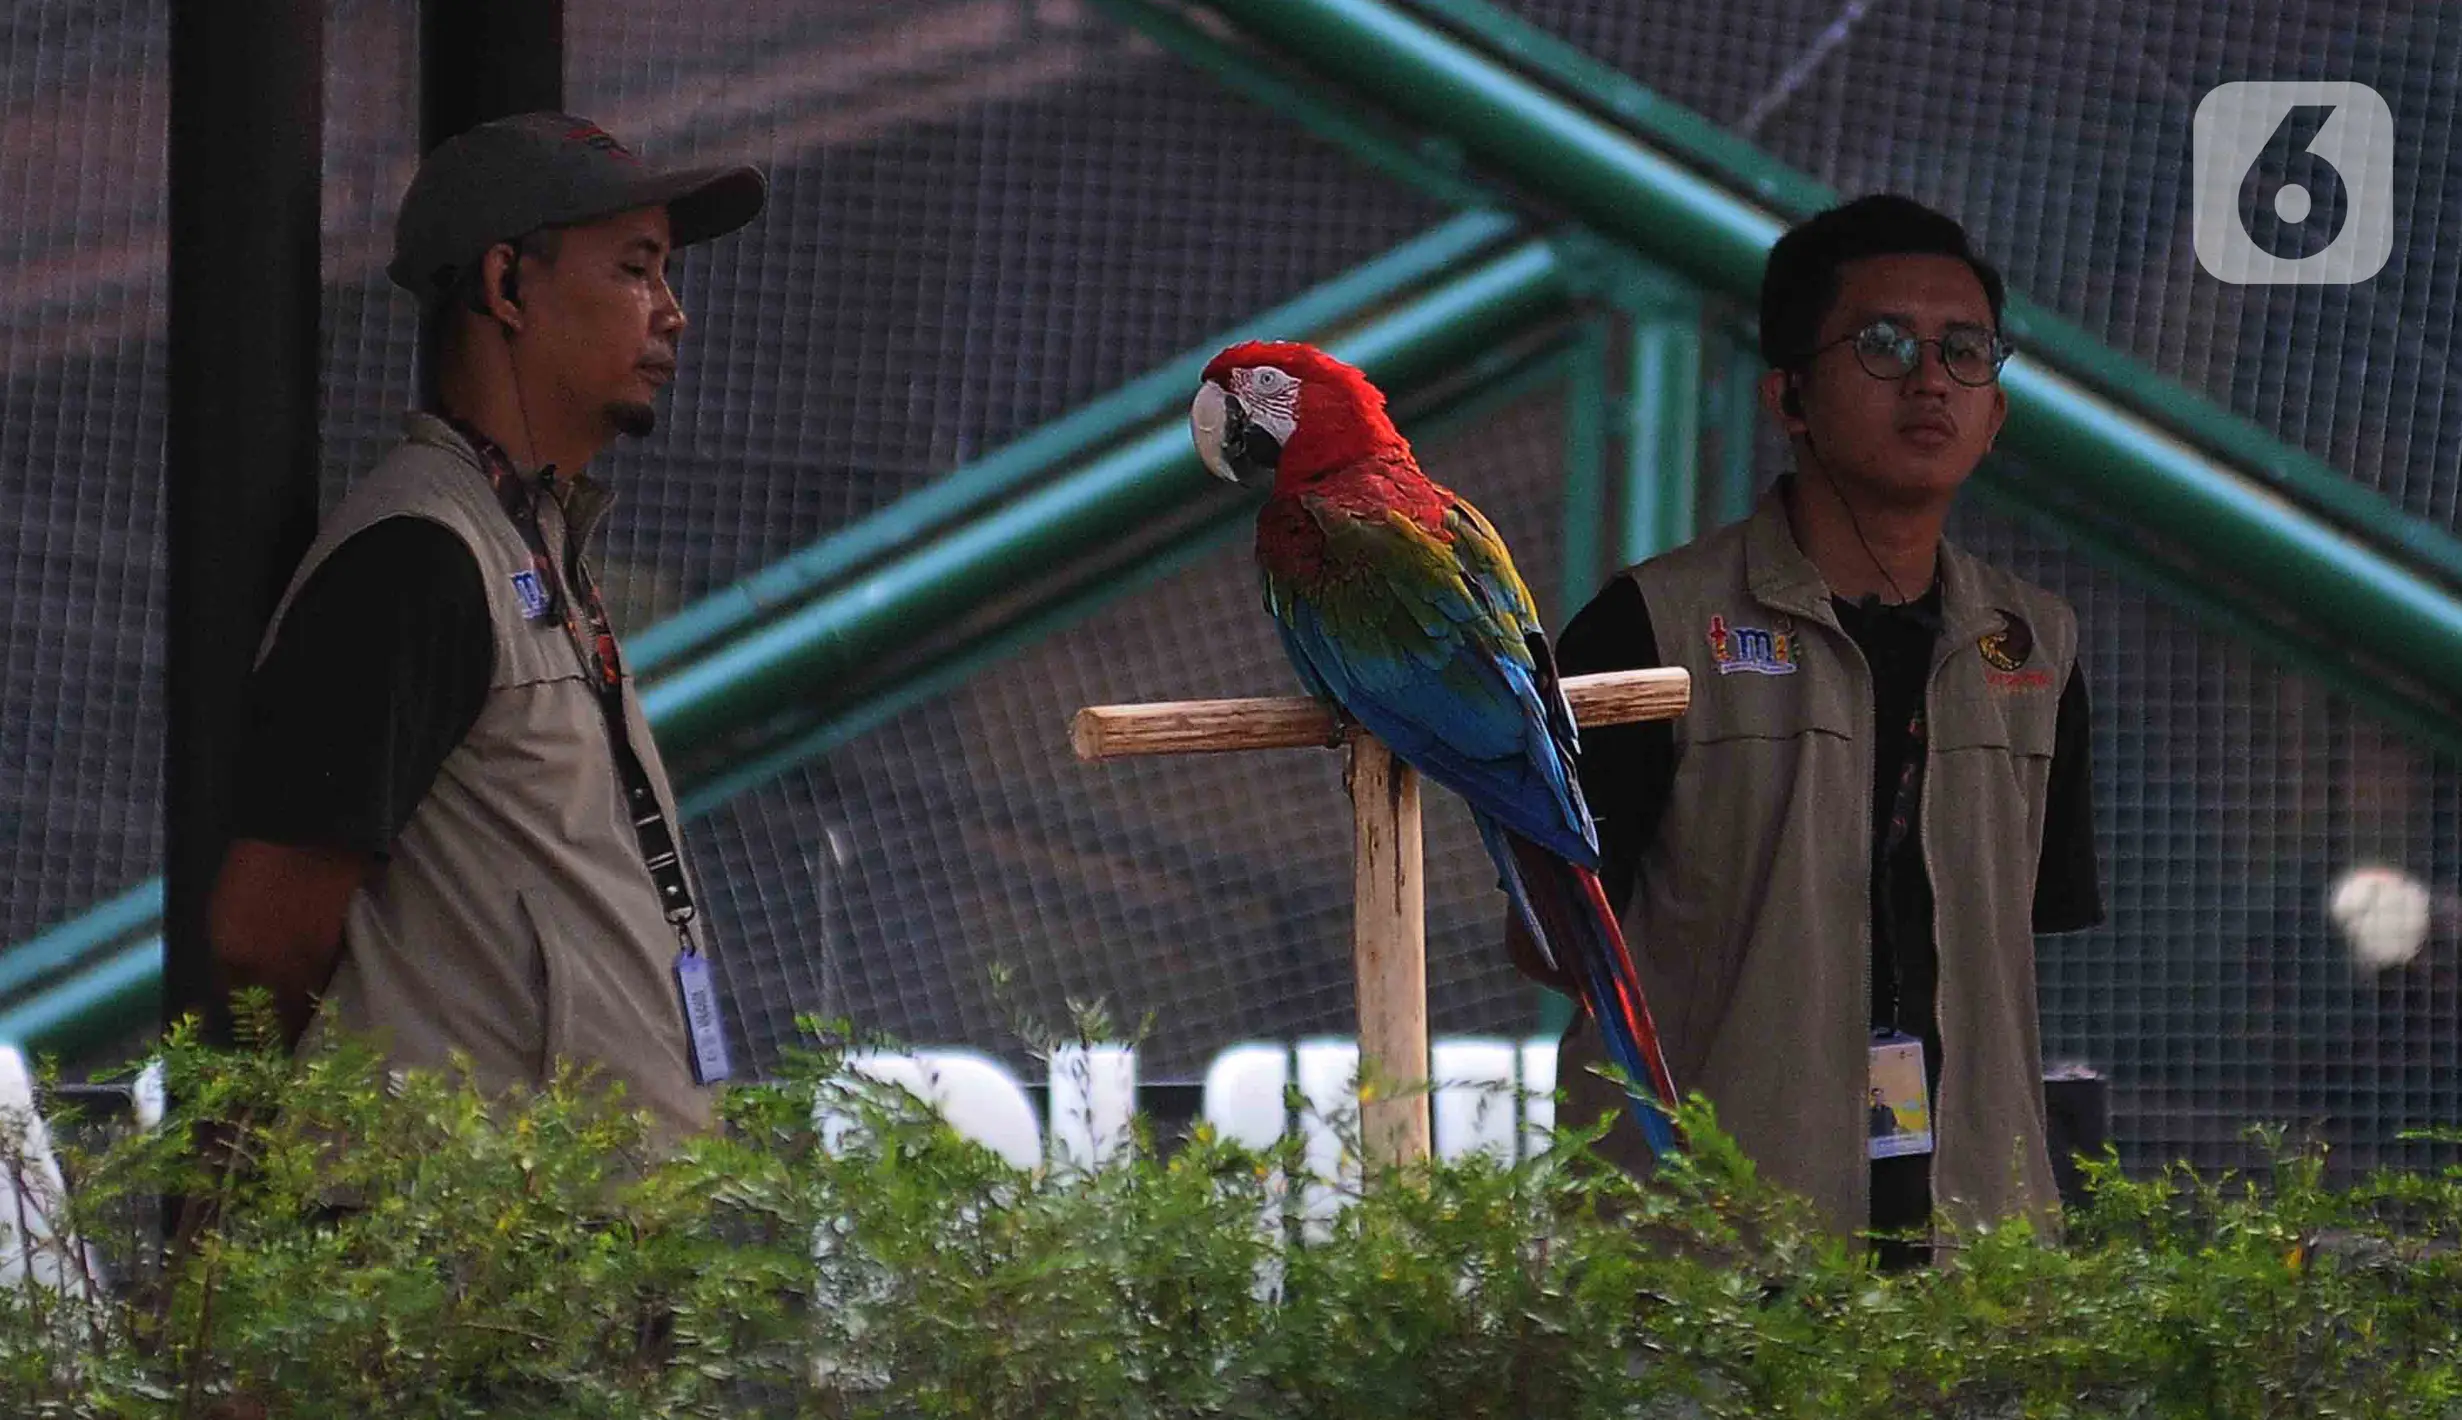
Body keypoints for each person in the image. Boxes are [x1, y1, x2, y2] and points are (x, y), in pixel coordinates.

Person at [1522, 195, 2102, 1254]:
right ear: (1788, 397)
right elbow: (1550, 932)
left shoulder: (2035, 647)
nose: (1929, 378)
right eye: (1881, 343)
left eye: (1963, 349)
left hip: (1970, 1254)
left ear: (1996, 413)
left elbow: (2015, 940)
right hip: (1703, 1259)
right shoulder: (1648, 626)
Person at [205, 113, 767, 1140]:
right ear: (507, 287)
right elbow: (262, 937)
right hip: (470, 1261)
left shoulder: (531, 536)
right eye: (637, 269)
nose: (672, 312)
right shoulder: (417, 555)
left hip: (569, 1250)